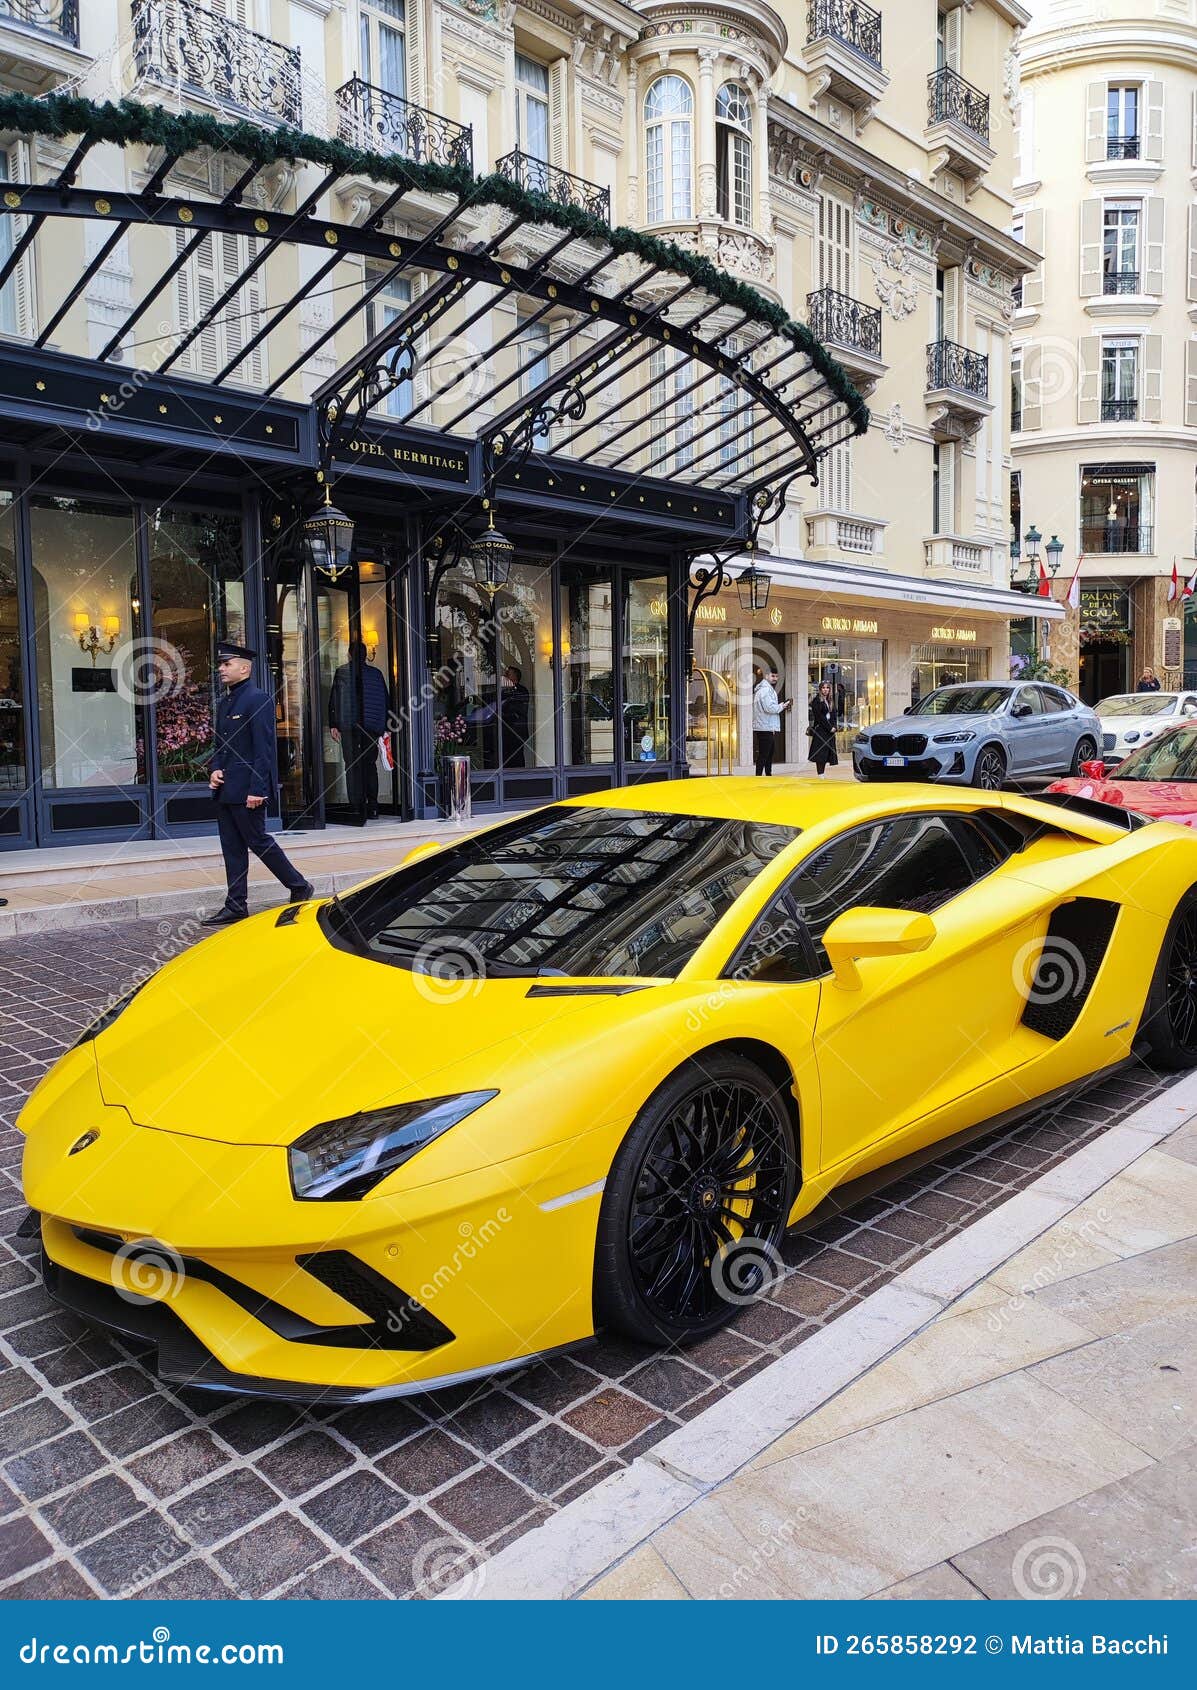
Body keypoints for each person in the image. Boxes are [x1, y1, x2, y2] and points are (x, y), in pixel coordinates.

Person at [203, 642, 312, 927]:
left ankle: (299, 885)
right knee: (232, 848)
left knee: (259, 841)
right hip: (226, 788)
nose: (221, 669)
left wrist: (258, 790)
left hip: (248, 788)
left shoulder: (258, 699)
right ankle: (236, 905)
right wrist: (214, 770)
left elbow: (264, 750)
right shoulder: (225, 702)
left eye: (227, 664)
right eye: (221, 664)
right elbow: (220, 745)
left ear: (245, 668)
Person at [329, 638, 390, 818]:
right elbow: (384, 701)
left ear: (349, 654)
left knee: (352, 766)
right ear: (365, 656)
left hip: (349, 727)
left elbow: (334, 701)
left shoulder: (342, 672)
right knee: (370, 766)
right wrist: (385, 727)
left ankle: (356, 807)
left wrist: (334, 724)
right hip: (371, 728)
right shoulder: (376, 674)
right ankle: (373, 807)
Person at [752, 667, 790, 776]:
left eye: (776, 676)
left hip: (766, 726)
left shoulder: (766, 689)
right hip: (764, 726)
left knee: (768, 753)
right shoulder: (765, 690)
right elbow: (770, 708)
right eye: (773, 676)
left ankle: (767, 775)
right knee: (765, 754)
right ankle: (761, 776)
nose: (775, 678)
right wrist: (783, 705)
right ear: (766, 676)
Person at [500, 664, 531, 768]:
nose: (504, 676)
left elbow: (512, 709)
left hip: (516, 731)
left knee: (516, 758)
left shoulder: (521, 691)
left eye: (508, 674)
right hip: (506, 732)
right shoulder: (504, 691)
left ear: (515, 677)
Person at [808, 678, 839, 777]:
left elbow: (834, 714)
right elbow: (820, 717)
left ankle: (822, 774)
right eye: (823, 688)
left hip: (830, 731)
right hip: (821, 730)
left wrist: (834, 726)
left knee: (827, 754)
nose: (825, 690)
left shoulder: (830, 700)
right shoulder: (817, 701)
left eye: (827, 688)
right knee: (820, 754)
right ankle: (820, 775)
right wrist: (830, 727)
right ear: (820, 689)